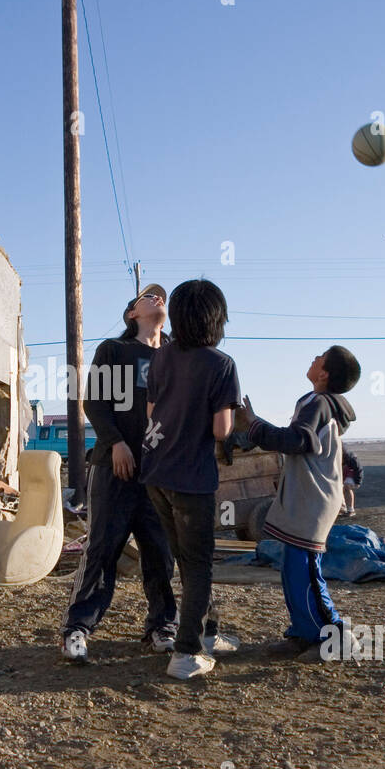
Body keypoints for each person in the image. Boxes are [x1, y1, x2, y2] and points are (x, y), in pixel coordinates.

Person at [60, 284, 178, 663]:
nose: (157, 299)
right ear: (132, 314)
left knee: (160, 553)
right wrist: (115, 443)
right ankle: (77, 629)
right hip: (116, 469)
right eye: (148, 297)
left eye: (161, 297)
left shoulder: (177, 356)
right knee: (103, 548)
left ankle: (162, 628)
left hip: (158, 474)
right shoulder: (115, 350)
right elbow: (94, 400)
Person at [140, 279, 242, 680]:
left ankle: (209, 631)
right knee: (198, 565)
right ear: (217, 318)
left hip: (156, 472)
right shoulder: (222, 365)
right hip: (192, 478)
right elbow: (221, 430)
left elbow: (151, 413)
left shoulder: (161, 358)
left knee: (186, 558)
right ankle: (185, 653)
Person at [234, 346, 361, 662]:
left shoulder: (318, 402)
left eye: (319, 357)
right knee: (294, 569)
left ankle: (336, 635)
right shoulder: (319, 403)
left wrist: (252, 425)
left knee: (304, 570)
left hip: (312, 500)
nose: (313, 359)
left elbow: (296, 440)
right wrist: (255, 422)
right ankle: (304, 633)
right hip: (309, 498)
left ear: (324, 374)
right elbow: (295, 436)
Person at [341, 448, 363, 517]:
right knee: (340, 489)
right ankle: (343, 508)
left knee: (347, 487)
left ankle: (351, 509)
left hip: (351, 472)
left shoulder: (350, 456)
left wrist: (358, 482)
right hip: (342, 472)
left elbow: (358, 468)